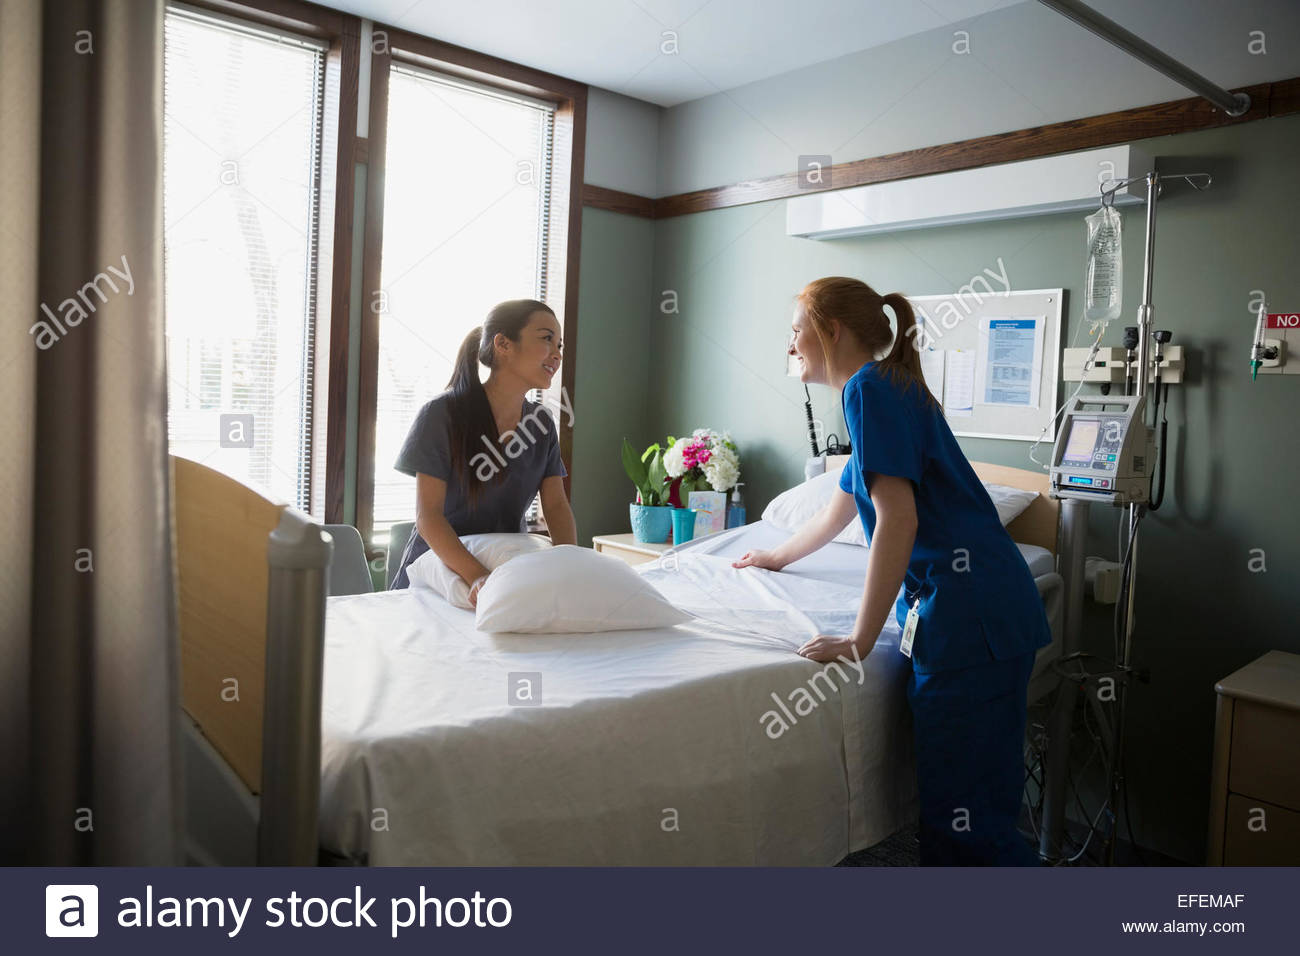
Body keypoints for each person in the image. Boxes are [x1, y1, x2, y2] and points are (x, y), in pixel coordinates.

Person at [733, 276, 1050, 865]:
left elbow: (896, 519)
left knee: (967, 823)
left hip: (968, 618)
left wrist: (857, 639)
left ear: (831, 330)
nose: (789, 344)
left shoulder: (870, 390)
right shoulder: (889, 388)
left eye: (794, 330)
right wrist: (775, 556)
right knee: (974, 806)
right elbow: (841, 503)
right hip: (983, 613)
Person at [389, 299, 577, 601]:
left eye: (560, 345)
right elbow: (429, 517)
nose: (557, 354)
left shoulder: (541, 423)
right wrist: (477, 577)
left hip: (503, 573)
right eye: (546, 339)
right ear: (503, 344)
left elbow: (555, 506)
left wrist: (573, 566)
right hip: (438, 576)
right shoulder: (441, 415)